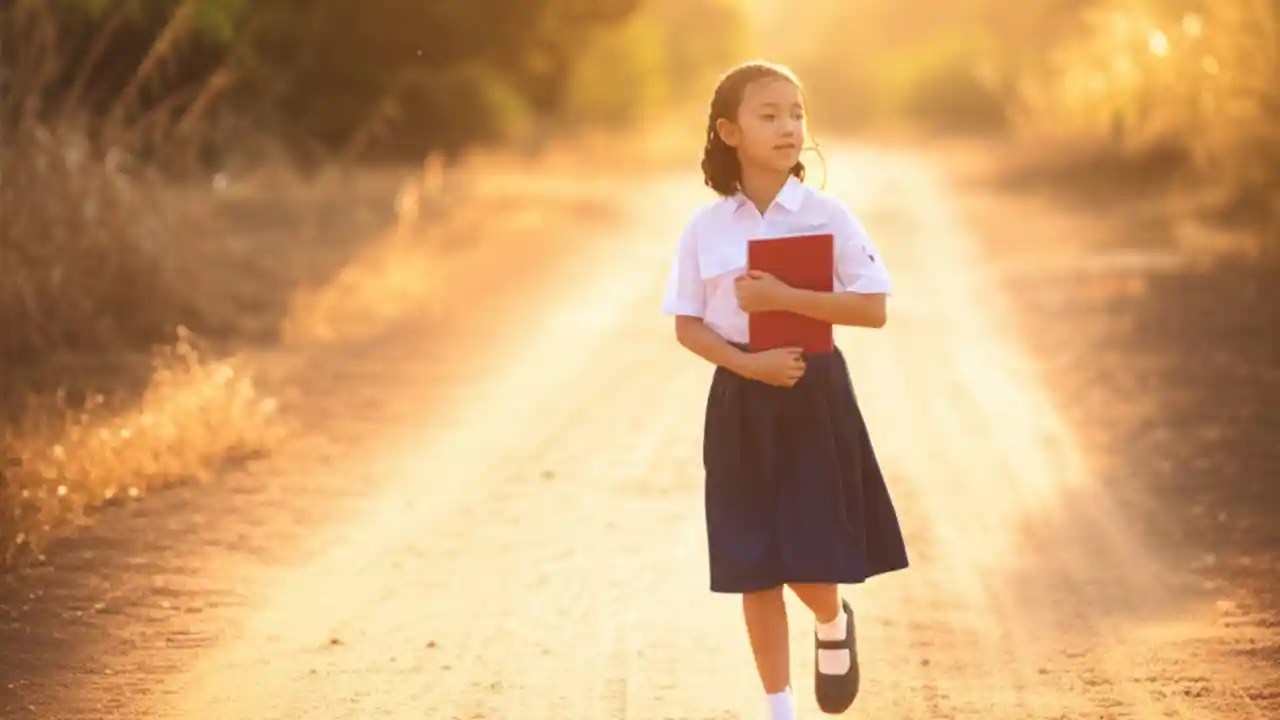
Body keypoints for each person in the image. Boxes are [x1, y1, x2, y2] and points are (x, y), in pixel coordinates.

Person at [659, 60, 909, 719]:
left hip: (814, 392)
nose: (788, 127)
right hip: (741, 396)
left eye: (796, 114)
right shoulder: (704, 229)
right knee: (752, 560)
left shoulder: (828, 216)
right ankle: (779, 709)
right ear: (729, 131)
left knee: (806, 552)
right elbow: (686, 325)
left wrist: (788, 298)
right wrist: (750, 367)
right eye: (768, 115)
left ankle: (831, 620)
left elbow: (874, 307)